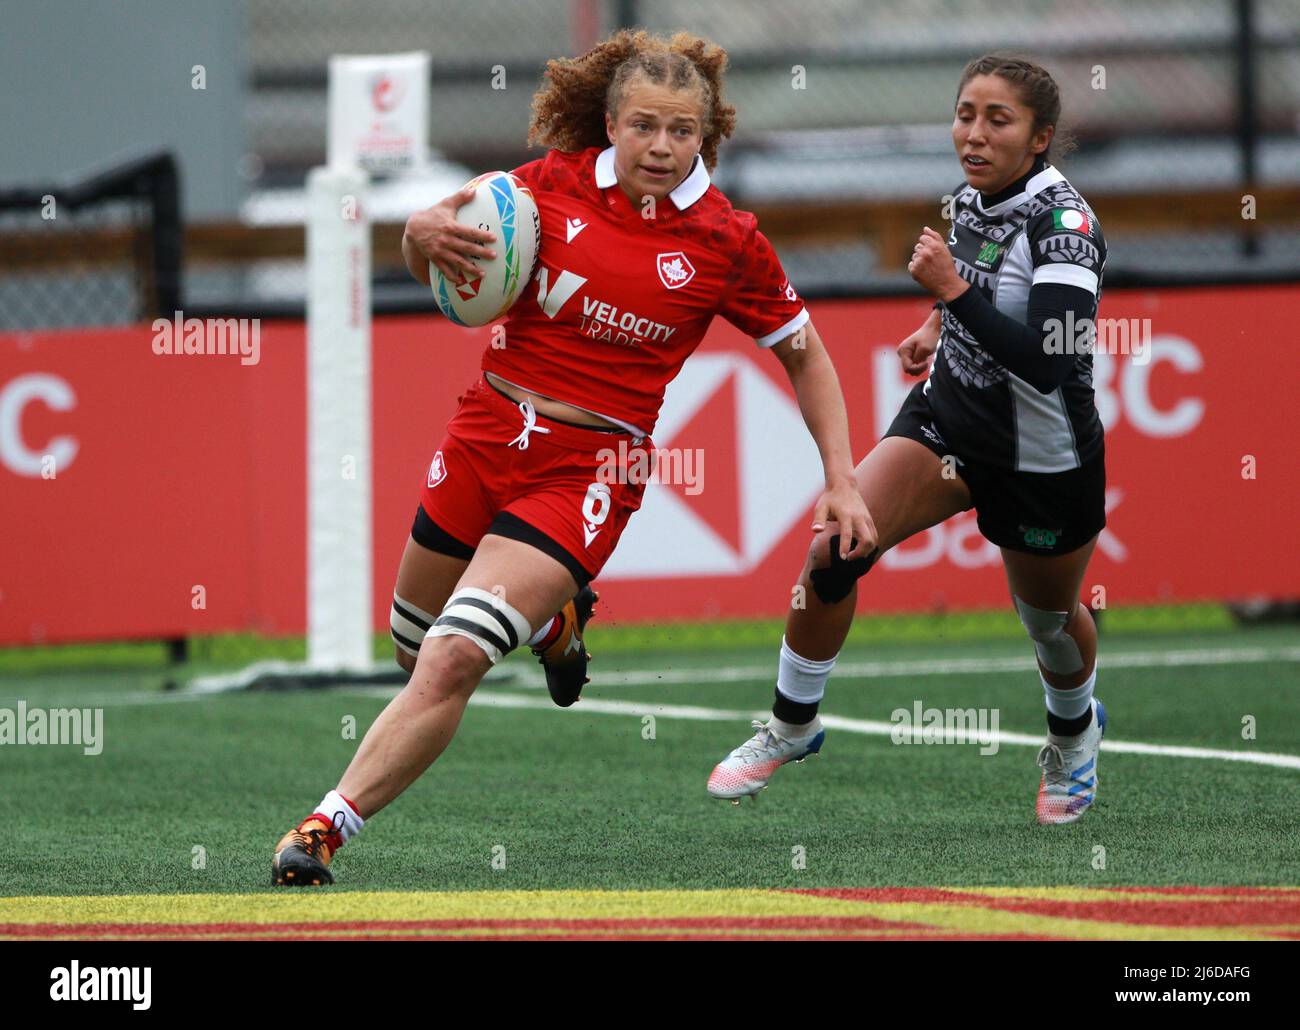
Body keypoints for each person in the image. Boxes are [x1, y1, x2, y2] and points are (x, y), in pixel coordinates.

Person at [271, 28, 872, 885]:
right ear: (611, 123)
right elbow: (438, 259)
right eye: (642, 126)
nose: (661, 147)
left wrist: (842, 480)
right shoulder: (542, 188)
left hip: (590, 469)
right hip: (484, 433)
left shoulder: (725, 240)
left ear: (705, 134)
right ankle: (554, 622)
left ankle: (322, 830)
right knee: (411, 649)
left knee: (453, 657)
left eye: (681, 131)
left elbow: (805, 352)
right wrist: (417, 234)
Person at [708, 55, 1110, 826]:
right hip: (948, 421)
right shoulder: (970, 198)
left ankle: (1074, 733)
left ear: (1040, 139)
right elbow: (983, 283)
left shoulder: (1065, 226)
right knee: (835, 549)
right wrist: (936, 323)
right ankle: (792, 727)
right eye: (966, 113)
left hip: (1040, 452)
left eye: (999, 120)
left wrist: (951, 293)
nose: (974, 132)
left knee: (1049, 622)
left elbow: (1053, 360)